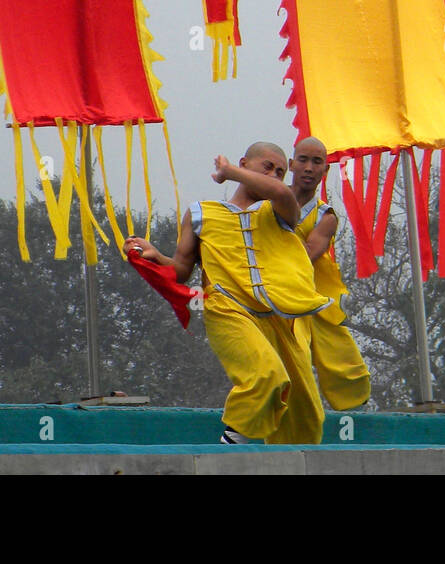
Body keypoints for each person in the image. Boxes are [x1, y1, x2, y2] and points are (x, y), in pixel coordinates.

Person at [126, 142, 332, 444]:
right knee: (266, 375)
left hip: (277, 316)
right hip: (227, 310)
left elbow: (283, 193)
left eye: (280, 171)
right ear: (245, 162)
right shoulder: (200, 215)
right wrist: (156, 255)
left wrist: (230, 173)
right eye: (268, 167)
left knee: (305, 413)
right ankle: (228, 452)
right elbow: (182, 271)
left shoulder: (281, 210)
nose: (275, 175)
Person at [288, 137, 372, 410]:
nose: (309, 168)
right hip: (274, 295)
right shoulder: (268, 202)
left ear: (325, 170)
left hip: (314, 297)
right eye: (303, 160)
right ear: (291, 165)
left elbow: (307, 254)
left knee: (341, 359)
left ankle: (354, 411)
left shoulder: (326, 215)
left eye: (317, 162)